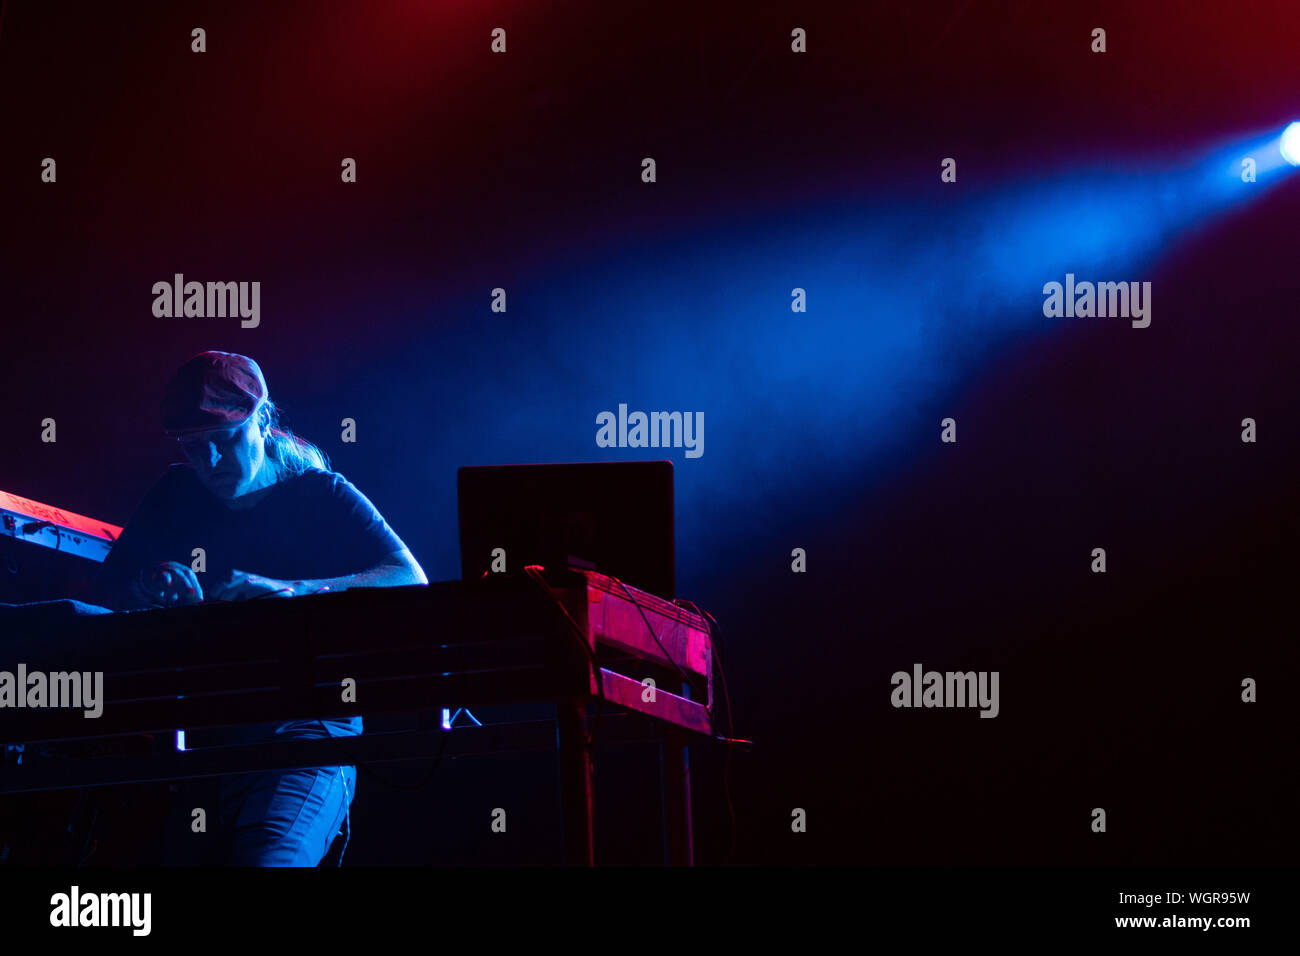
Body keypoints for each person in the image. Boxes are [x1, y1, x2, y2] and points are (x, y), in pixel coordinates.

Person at [92, 350, 427, 865]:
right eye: (192, 448)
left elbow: (409, 577)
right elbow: (104, 595)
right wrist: (148, 586)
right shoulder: (173, 495)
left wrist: (293, 589)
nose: (210, 464)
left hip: (307, 732)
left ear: (263, 420)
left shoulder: (320, 494)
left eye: (224, 442)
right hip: (202, 737)